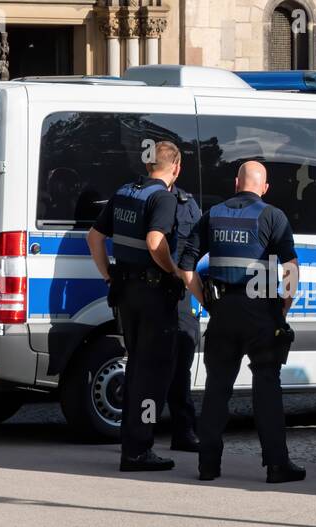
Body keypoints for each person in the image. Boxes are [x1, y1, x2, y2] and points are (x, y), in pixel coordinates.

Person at [178, 161, 306, 484]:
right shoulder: (273, 216)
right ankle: (277, 466)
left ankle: (208, 465)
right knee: (267, 386)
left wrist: (205, 301)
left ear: (237, 183)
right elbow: (290, 269)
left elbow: (185, 265)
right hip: (260, 312)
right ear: (265, 187)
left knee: (217, 388)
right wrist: (282, 313)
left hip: (221, 312)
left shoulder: (213, 215)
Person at [86, 141, 185, 472]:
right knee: (152, 375)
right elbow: (156, 241)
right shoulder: (164, 197)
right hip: (154, 296)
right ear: (175, 168)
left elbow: (94, 237)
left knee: (136, 367)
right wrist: (172, 271)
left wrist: (108, 276)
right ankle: (140, 450)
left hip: (126, 293)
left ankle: (132, 446)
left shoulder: (126, 192)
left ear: (148, 165)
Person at [165, 184, 202, 453]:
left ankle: (180, 431)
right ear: (176, 167)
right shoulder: (144, 197)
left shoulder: (186, 201)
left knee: (179, 363)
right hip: (167, 291)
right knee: (166, 364)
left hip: (174, 294)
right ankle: (140, 433)